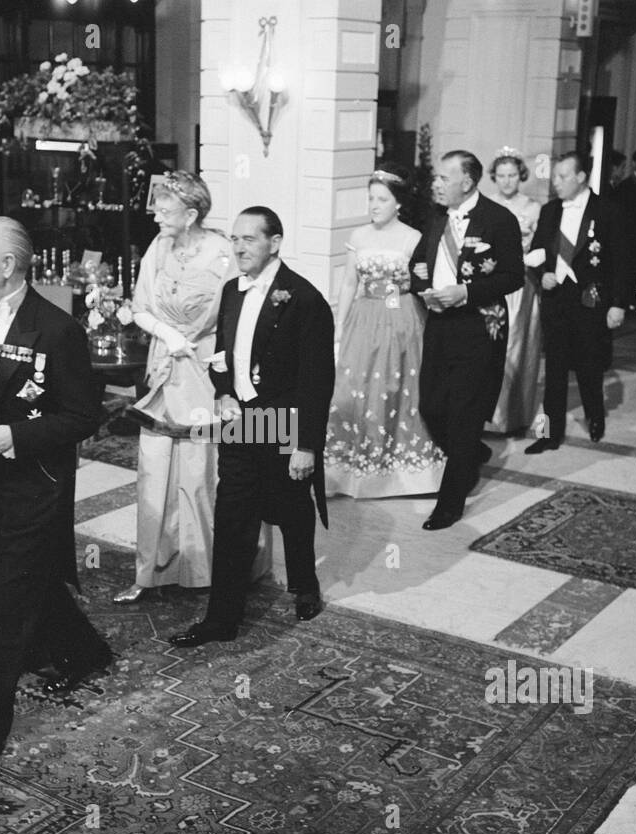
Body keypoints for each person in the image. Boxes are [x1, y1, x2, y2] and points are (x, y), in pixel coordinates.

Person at [0, 217, 110, 779]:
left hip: (33, 487)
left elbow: (83, 416)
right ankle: (86, 651)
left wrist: (12, 436)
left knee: (4, 608)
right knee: (11, 581)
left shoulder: (57, 330)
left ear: (8, 266)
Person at [170, 207, 335, 647]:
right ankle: (220, 620)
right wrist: (224, 392)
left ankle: (304, 585)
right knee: (231, 519)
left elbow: (317, 382)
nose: (239, 247)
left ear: (274, 243)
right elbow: (222, 354)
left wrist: (306, 446)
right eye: (235, 239)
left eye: (249, 239)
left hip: (282, 423)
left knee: (292, 510)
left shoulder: (305, 299)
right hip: (239, 423)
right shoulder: (231, 291)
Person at [114, 171, 269, 602]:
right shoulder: (157, 247)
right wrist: (168, 336)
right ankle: (154, 569)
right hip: (165, 365)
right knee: (155, 467)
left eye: (165, 210)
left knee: (203, 469)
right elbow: (140, 307)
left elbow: (239, 312)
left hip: (206, 368)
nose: (156, 216)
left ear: (191, 214)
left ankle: (212, 568)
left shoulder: (222, 252)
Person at [407, 150, 524, 530]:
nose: (436, 183)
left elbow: (513, 276)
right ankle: (471, 450)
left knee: (463, 414)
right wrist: (424, 289)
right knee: (431, 406)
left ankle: (450, 503)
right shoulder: (437, 217)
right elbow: (417, 264)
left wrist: (466, 292)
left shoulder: (499, 219)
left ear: (468, 182)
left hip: (479, 326)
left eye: (444, 177)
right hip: (440, 324)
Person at [326, 164, 446, 498]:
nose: (374, 206)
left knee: (398, 388)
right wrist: (340, 325)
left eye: (382, 199)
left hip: (401, 319)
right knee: (353, 388)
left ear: (399, 203)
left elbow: (422, 282)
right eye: (371, 199)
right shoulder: (358, 236)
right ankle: (350, 470)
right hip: (363, 319)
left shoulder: (412, 238)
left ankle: (399, 471)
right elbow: (349, 283)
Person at [524, 152, 630, 454]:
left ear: (581, 177)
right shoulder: (549, 211)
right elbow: (537, 252)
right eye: (555, 176)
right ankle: (548, 433)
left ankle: (595, 418)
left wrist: (618, 303)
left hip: (590, 300)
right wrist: (542, 274)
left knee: (589, 365)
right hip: (556, 299)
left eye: (563, 177)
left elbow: (622, 261)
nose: (556, 183)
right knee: (553, 371)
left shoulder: (607, 211)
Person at [486, 148, 544, 436]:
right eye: (501, 175)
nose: (506, 181)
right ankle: (487, 414)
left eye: (511, 175)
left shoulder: (533, 207)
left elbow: (542, 244)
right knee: (489, 344)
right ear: (494, 177)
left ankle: (513, 414)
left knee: (517, 343)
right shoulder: (486, 205)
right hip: (492, 280)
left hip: (522, 283)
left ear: (520, 176)